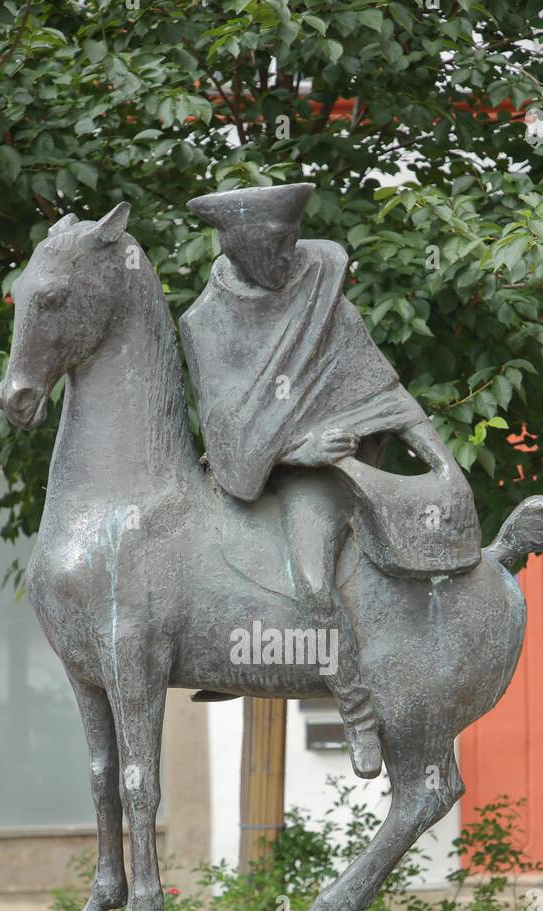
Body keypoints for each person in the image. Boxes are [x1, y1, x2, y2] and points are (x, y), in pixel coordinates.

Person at [180, 182, 481, 778]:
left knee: (312, 579)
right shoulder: (204, 324)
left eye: (293, 239)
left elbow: (385, 396)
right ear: (238, 244)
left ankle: (356, 711)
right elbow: (225, 428)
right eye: (276, 243)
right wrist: (297, 444)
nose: (288, 254)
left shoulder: (325, 301)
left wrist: (443, 465)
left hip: (322, 480)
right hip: (238, 474)